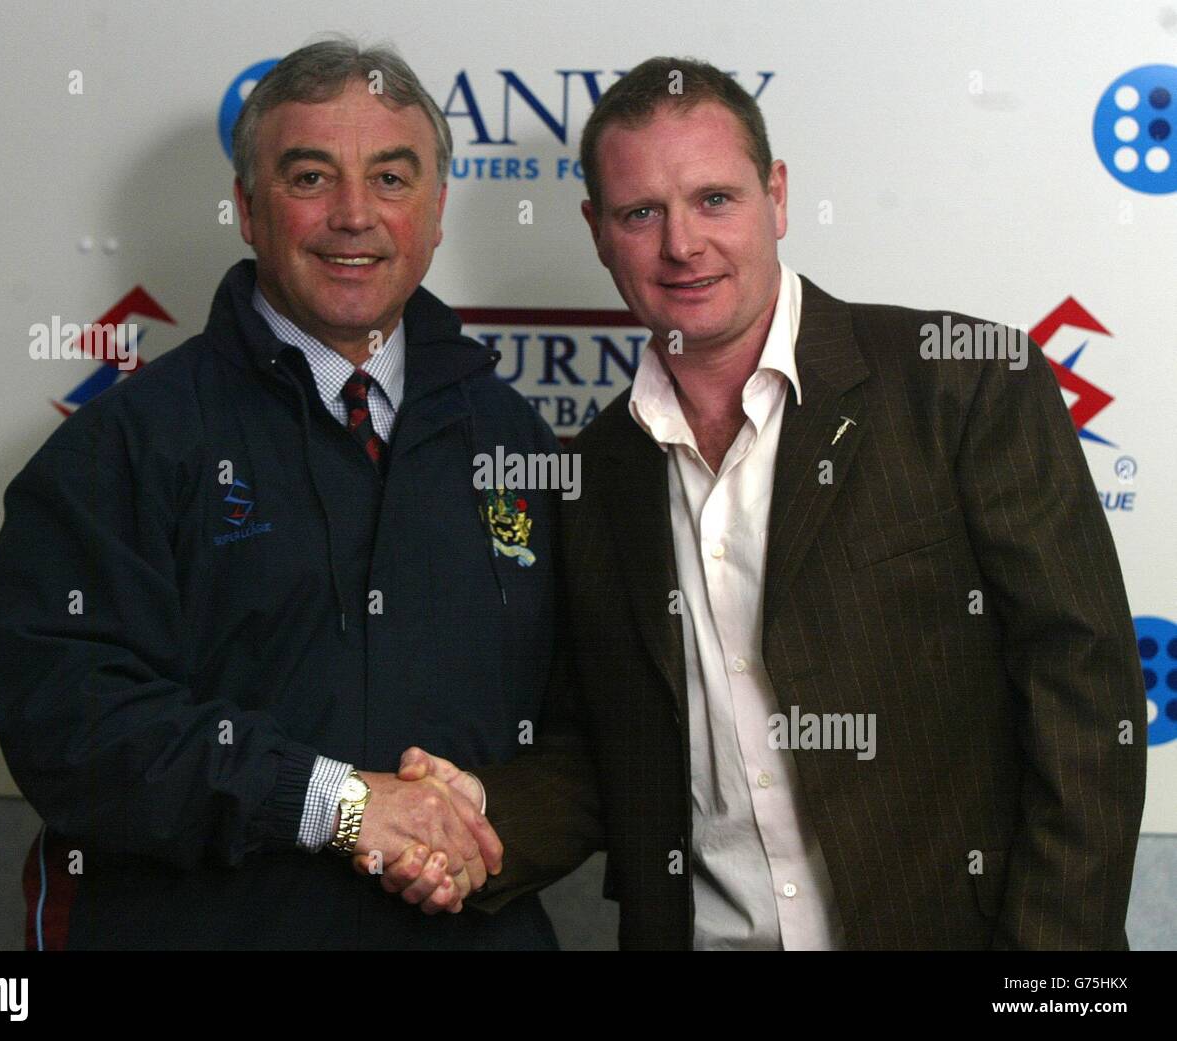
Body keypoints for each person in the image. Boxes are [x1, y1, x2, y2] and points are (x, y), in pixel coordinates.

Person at [375, 56, 1148, 950]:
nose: (682, 245)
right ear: (597, 231)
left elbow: (1086, 700)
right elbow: (605, 757)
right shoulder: (590, 475)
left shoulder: (962, 384)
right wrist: (477, 815)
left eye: (714, 200)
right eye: (640, 214)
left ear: (776, 197)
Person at [0, 38, 568, 950]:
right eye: (309, 178)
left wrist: (479, 821)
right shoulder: (122, 447)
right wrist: (332, 803)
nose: (353, 215)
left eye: (391, 178)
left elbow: (589, 725)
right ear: (249, 210)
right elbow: (71, 721)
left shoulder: (516, 440)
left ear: (438, 209)